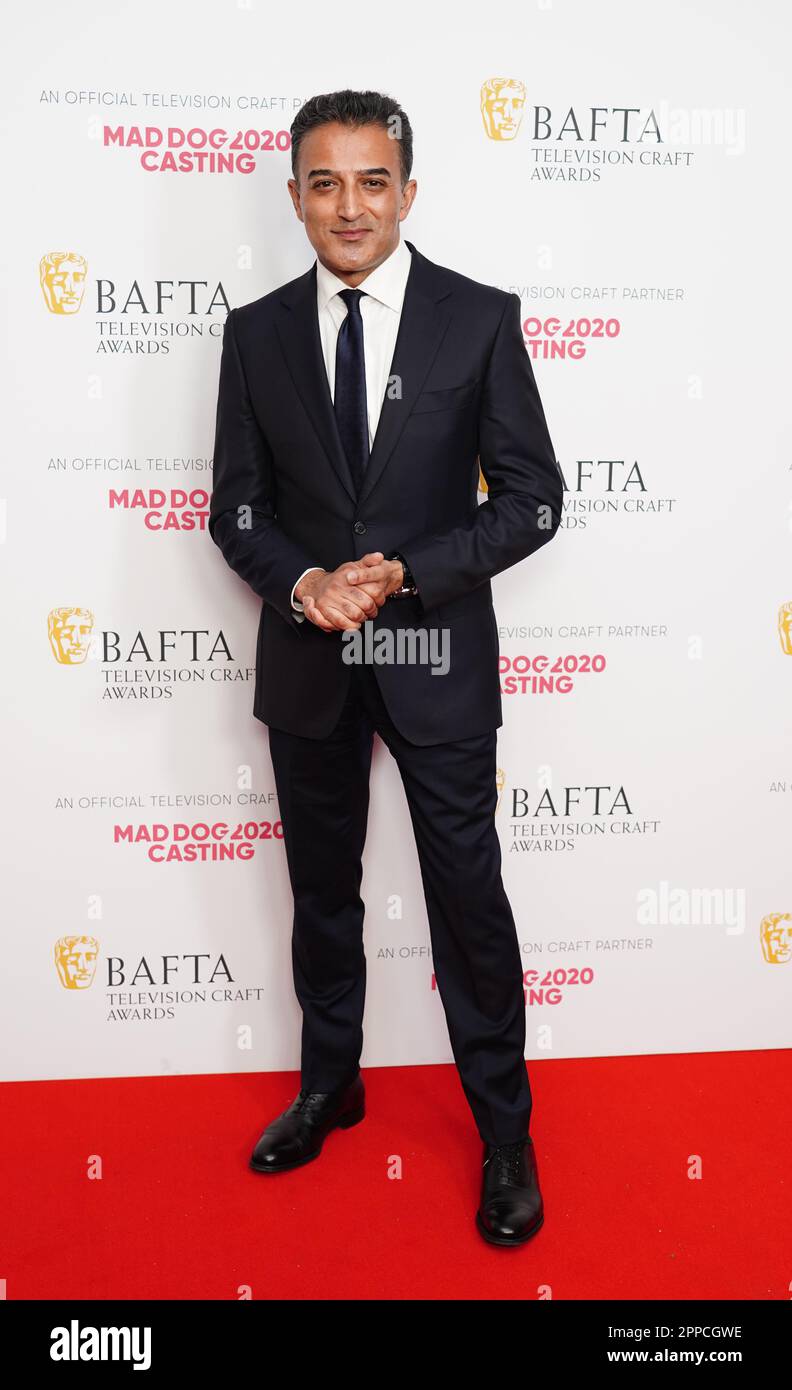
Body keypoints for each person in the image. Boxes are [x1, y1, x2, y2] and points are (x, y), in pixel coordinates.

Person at [208, 89, 563, 1246]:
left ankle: (504, 1131)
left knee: (467, 898)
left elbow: (532, 501)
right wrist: (304, 584)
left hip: (433, 650)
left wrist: (403, 572)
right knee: (322, 891)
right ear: (296, 195)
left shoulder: (478, 319)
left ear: (409, 192)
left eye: (372, 181)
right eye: (324, 182)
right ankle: (332, 1083)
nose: (348, 205)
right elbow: (238, 505)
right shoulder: (255, 331)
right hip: (311, 656)